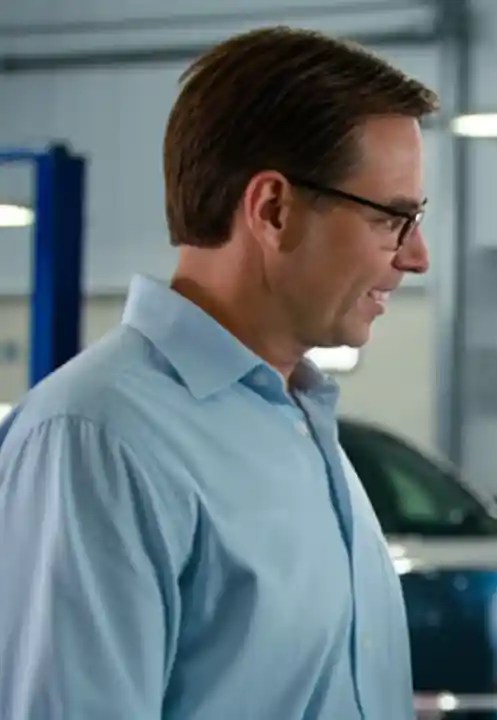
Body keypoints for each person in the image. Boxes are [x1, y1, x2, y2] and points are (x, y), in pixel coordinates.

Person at [0, 27, 436, 719]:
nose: (417, 257)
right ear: (273, 209)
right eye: (394, 217)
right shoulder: (99, 440)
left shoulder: (299, 425)